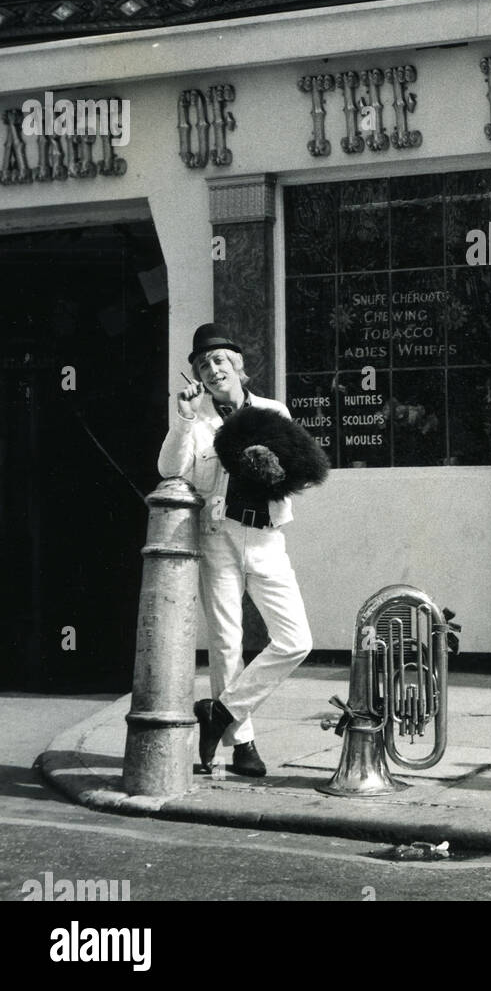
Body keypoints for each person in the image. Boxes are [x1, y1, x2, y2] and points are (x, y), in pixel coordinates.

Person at [158, 323, 312, 778]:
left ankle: (220, 714)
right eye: (203, 364)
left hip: (266, 536)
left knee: (295, 640)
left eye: (220, 360)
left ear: (238, 365)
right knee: (227, 643)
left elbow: (300, 469)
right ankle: (243, 746)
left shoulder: (272, 410)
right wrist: (184, 419)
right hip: (217, 536)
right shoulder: (196, 417)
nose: (212, 369)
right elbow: (169, 469)